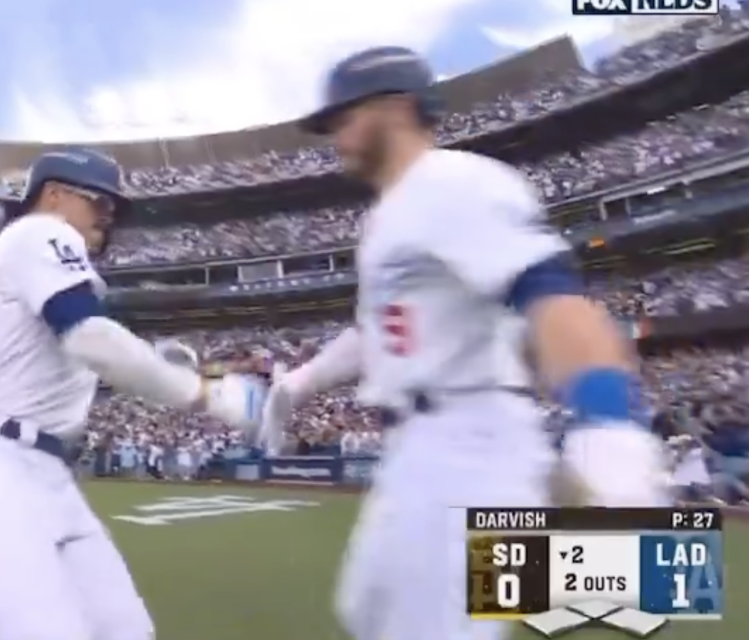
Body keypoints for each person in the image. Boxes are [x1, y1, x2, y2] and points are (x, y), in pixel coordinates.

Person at [258, 46, 669, 640]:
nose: (334, 134)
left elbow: (552, 297)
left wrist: (610, 426)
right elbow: (380, 330)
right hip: (418, 447)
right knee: (368, 611)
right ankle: (613, 582)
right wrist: (300, 383)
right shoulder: (386, 218)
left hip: (468, 438)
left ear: (396, 107)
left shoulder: (453, 181)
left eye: (344, 116)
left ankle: (625, 577)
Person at [0, 148, 265, 640]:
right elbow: (92, 339)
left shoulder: (54, 263)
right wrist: (207, 394)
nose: (108, 221)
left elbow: (94, 348)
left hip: (47, 472)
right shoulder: (38, 230)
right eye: (100, 205)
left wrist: (157, 366)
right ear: (54, 195)